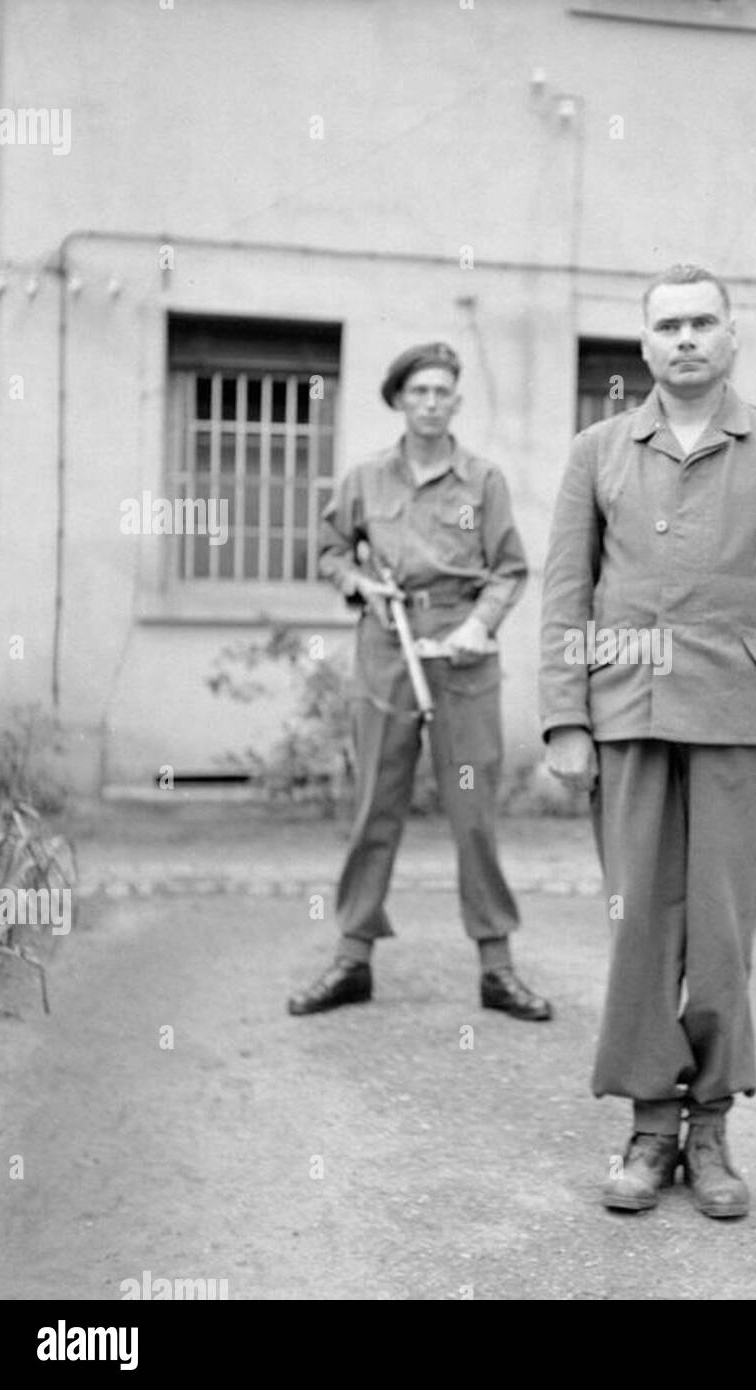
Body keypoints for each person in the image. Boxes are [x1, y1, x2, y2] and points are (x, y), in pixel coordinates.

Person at [539, 265, 756, 1218]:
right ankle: (648, 1127)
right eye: (668, 324)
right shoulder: (597, 451)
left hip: (738, 720)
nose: (687, 339)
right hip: (626, 715)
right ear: (644, 346)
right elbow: (564, 591)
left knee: (721, 932)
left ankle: (709, 1129)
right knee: (640, 928)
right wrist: (565, 718)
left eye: (703, 321)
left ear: (732, 336)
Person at [287, 342, 552, 1022]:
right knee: (376, 803)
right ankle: (352, 958)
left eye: (443, 392)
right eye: (419, 392)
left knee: (474, 816)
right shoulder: (366, 479)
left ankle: (497, 967)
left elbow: (510, 568)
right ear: (399, 401)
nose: (431, 403)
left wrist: (481, 623)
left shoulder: (484, 481)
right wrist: (359, 584)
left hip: (462, 653)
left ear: (456, 402)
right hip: (388, 648)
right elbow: (329, 548)